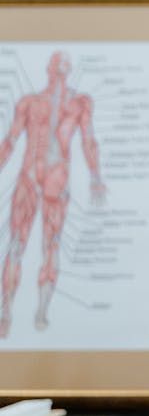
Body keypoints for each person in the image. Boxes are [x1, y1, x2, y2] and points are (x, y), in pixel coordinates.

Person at [0, 52, 106, 338]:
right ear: (48, 70)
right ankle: (6, 311)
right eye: (56, 69)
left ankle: (41, 312)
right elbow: (9, 141)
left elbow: (88, 140)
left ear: (67, 72)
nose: (58, 74)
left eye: (63, 70)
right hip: (29, 181)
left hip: (55, 186)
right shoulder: (29, 103)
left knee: (52, 246)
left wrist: (96, 177)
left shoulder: (80, 104)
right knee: (17, 245)